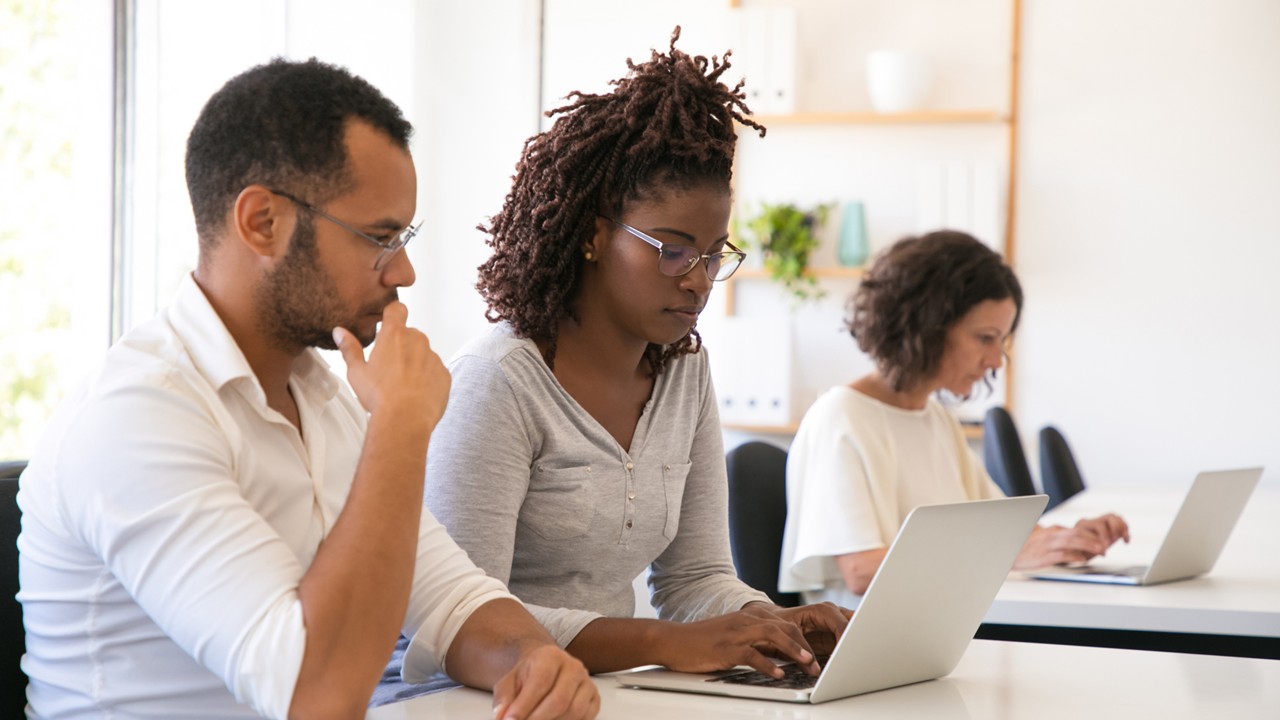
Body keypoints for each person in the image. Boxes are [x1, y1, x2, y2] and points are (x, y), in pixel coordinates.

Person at [17, 58, 597, 720]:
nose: (403, 270)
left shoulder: (318, 390)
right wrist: (402, 425)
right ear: (262, 222)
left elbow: (451, 597)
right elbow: (314, 695)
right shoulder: (137, 416)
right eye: (379, 238)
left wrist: (530, 658)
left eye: (404, 237)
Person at [390, 28, 849, 688]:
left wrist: (769, 621)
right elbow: (462, 620)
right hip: (478, 697)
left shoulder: (685, 372)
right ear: (594, 236)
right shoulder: (498, 382)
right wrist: (668, 641)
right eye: (672, 248)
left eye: (714, 252)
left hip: (611, 689)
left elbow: (694, 578)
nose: (697, 279)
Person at [778, 230, 1130, 607]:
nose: (996, 361)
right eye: (985, 338)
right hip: (874, 642)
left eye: (1001, 342)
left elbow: (1000, 535)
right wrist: (1012, 554)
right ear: (927, 327)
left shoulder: (936, 419)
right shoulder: (841, 418)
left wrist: (1068, 538)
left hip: (940, 622)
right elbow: (861, 571)